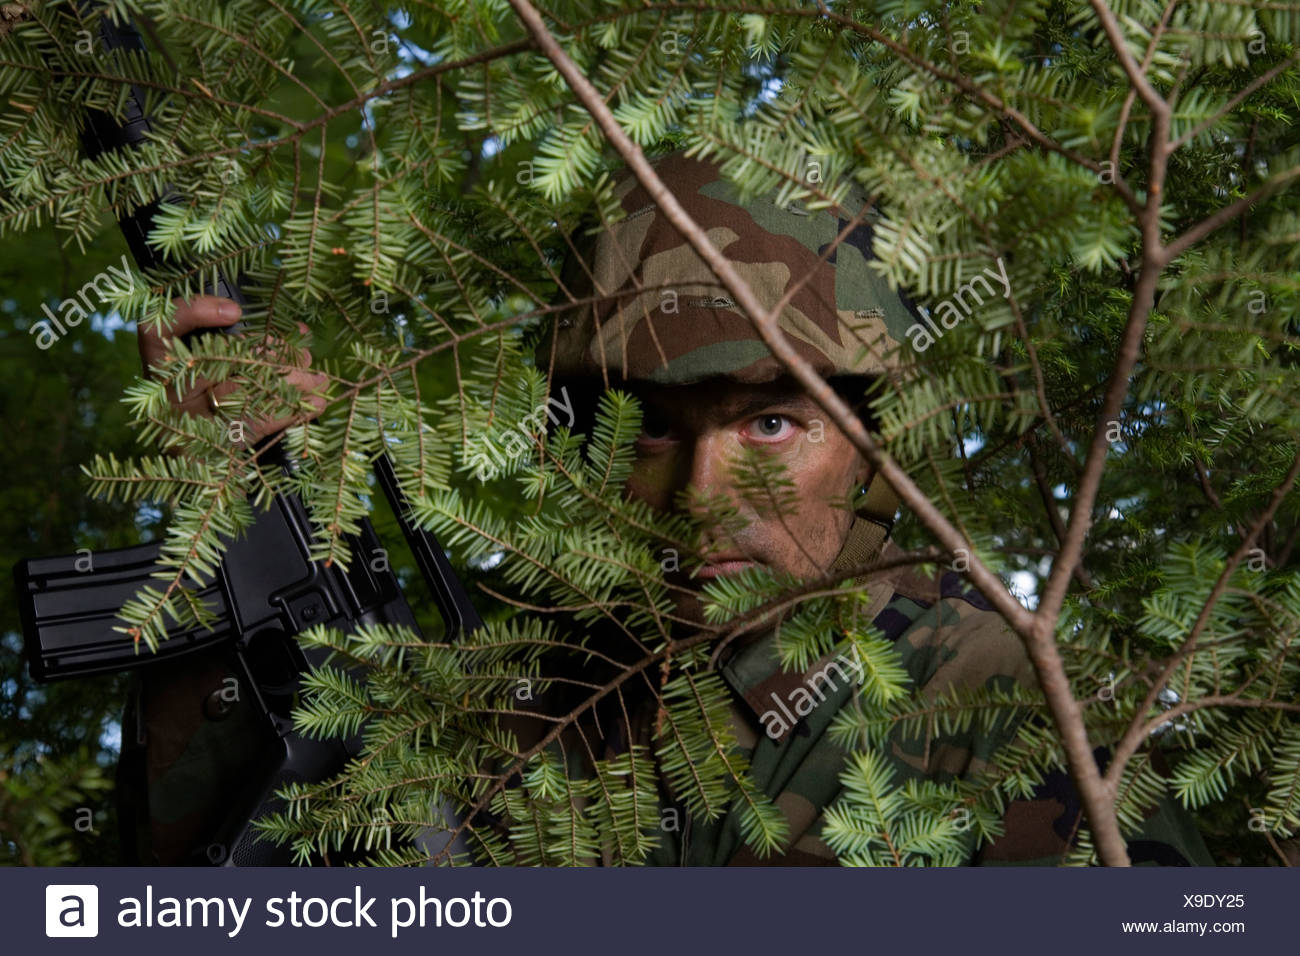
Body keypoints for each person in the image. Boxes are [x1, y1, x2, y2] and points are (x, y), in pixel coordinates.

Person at [126, 152, 1210, 866]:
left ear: (877, 447)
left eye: (770, 425)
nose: (698, 500)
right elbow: (198, 880)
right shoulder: (491, 704)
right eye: (646, 426)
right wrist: (232, 518)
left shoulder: (1002, 704)